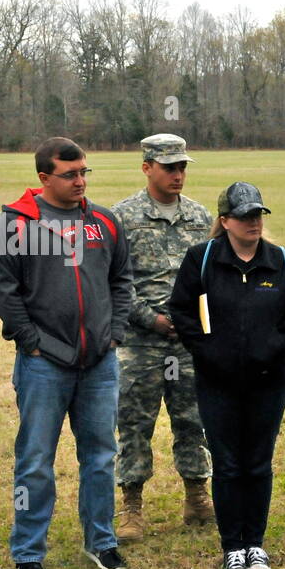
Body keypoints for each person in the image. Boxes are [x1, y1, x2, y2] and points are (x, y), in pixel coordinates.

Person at [0, 137, 132, 569]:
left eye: (85, 172)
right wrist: (29, 341)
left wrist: (115, 333)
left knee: (101, 456)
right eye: (70, 174)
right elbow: (3, 289)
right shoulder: (16, 225)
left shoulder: (104, 222)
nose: (80, 182)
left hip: (98, 365)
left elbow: (121, 279)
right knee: (34, 460)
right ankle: (28, 552)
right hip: (43, 364)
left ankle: (101, 540)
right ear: (44, 178)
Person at [168, 183, 285, 569]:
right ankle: (233, 547)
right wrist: (208, 351)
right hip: (218, 382)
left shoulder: (283, 262)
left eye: (258, 215)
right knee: (229, 465)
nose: (253, 222)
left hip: (268, 381)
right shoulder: (202, 259)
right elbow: (181, 310)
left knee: (258, 463)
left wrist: (274, 348)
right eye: (244, 216)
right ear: (225, 221)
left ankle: (256, 544)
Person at [111, 134, 214, 541]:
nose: (178, 174)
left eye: (182, 166)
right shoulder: (122, 218)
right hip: (141, 343)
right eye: (169, 167)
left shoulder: (201, 218)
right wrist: (149, 319)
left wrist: (193, 323)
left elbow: (210, 280)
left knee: (193, 420)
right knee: (135, 423)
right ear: (147, 167)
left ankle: (197, 496)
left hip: (189, 343)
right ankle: (131, 508)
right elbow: (116, 282)